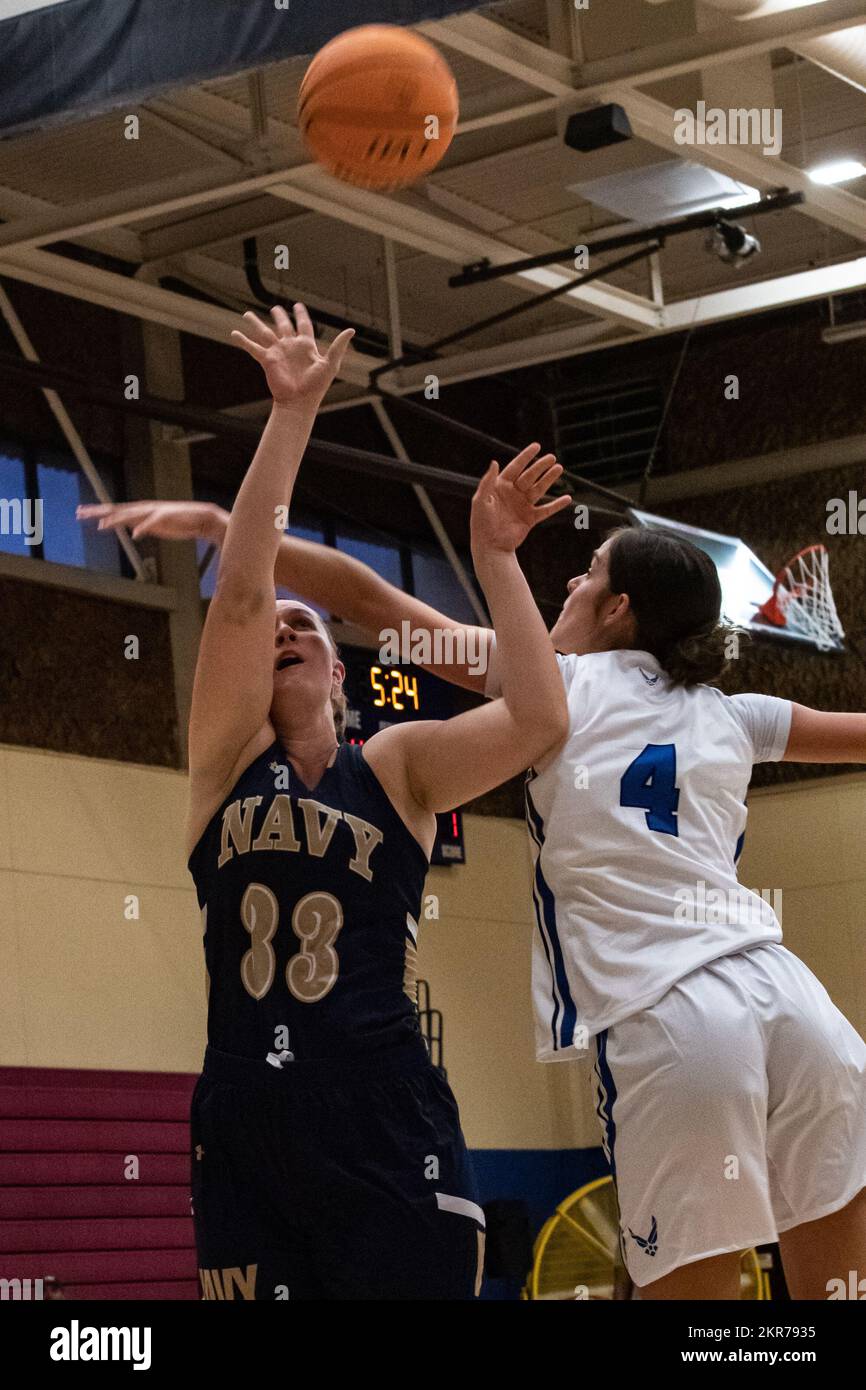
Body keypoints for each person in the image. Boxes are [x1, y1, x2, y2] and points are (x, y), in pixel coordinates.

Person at [86, 494, 866, 1302]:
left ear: (620, 608)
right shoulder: (740, 715)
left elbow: (368, 602)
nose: (569, 580)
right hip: (796, 1004)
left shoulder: (554, 683)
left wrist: (235, 533)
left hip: (674, 1011)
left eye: (588, 573)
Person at [83, 304, 569, 1301]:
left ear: (344, 676)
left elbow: (536, 719)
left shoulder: (395, 770)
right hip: (244, 1113)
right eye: (274, 627)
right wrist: (291, 413)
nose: (285, 629)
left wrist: (497, 561)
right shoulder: (223, 763)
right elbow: (245, 592)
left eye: (310, 625)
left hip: (382, 1107)